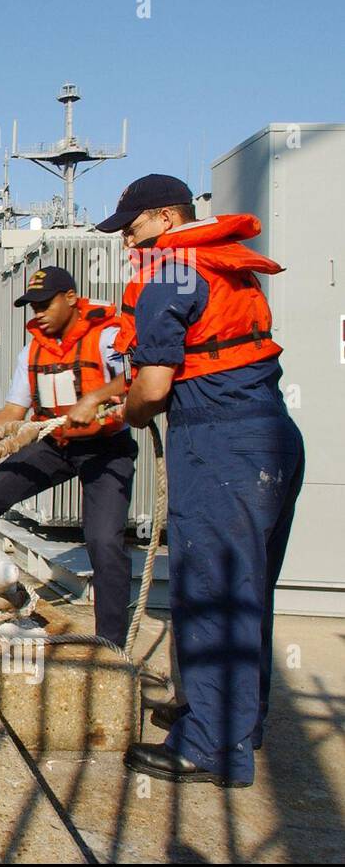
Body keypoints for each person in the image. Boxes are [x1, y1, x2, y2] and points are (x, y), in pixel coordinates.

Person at [100, 174, 304, 789]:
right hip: (271, 436)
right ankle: (239, 722)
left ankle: (209, 745)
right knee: (246, 593)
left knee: (210, 593)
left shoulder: (169, 276)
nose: (129, 242)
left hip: (220, 446)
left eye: (133, 228)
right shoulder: (223, 269)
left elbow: (155, 388)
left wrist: (127, 412)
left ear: (165, 217)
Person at [0, 266, 137, 646]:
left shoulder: (107, 337)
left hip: (106, 448)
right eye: (32, 306)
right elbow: (13, 413)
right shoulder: (32, 350)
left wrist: (96, 397)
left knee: (103, 540)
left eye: (44, 304)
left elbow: (138, 378)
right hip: (57, 445)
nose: (37, 313)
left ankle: (110, 644)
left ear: (70, 298)